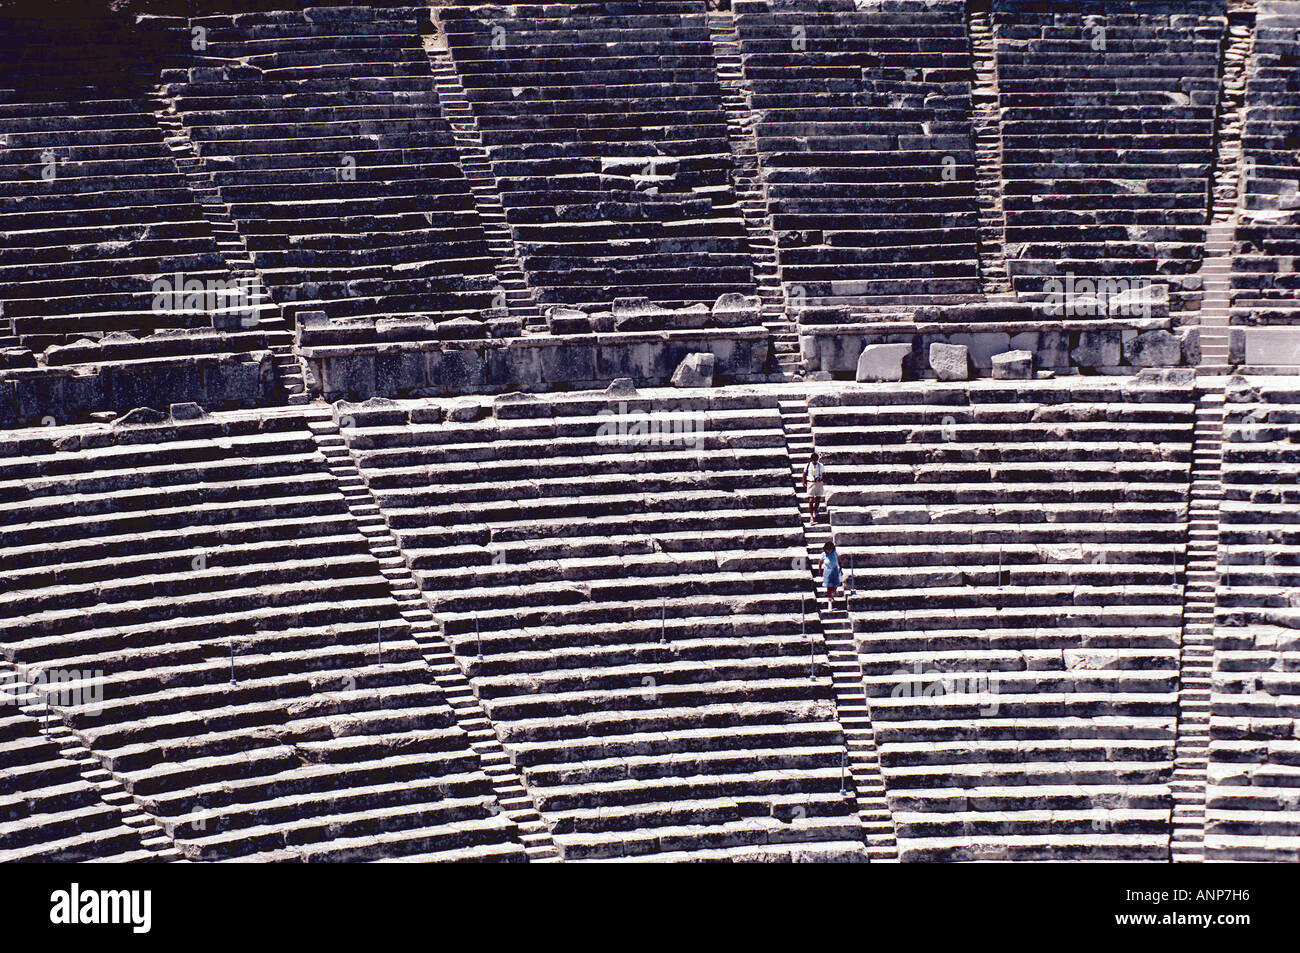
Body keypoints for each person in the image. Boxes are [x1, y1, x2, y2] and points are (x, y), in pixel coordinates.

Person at [803, 451, 826, 523]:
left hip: (818, 483)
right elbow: (804, 474)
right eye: (813, 461)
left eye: (816, 460)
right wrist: (804, 482)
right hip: (811, 483)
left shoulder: (820, 465)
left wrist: (820, 479)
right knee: (811, 500)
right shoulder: (808, 465)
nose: (815, 462)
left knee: (818, 499)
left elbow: (823, 475)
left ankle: (814, 511)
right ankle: (811, 515)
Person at [819, 540, 841, 611]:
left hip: (834, 571)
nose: (828, 551)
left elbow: (838, 560)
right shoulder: (823, 554)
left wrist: (840, 567)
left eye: (830, 550)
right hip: (827, 571)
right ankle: (829, 603)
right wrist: (820, 570)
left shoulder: (835, 553)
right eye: (827, 550)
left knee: (834, 587)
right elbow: (820, 563)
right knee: (829, 587)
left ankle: (831, 596)